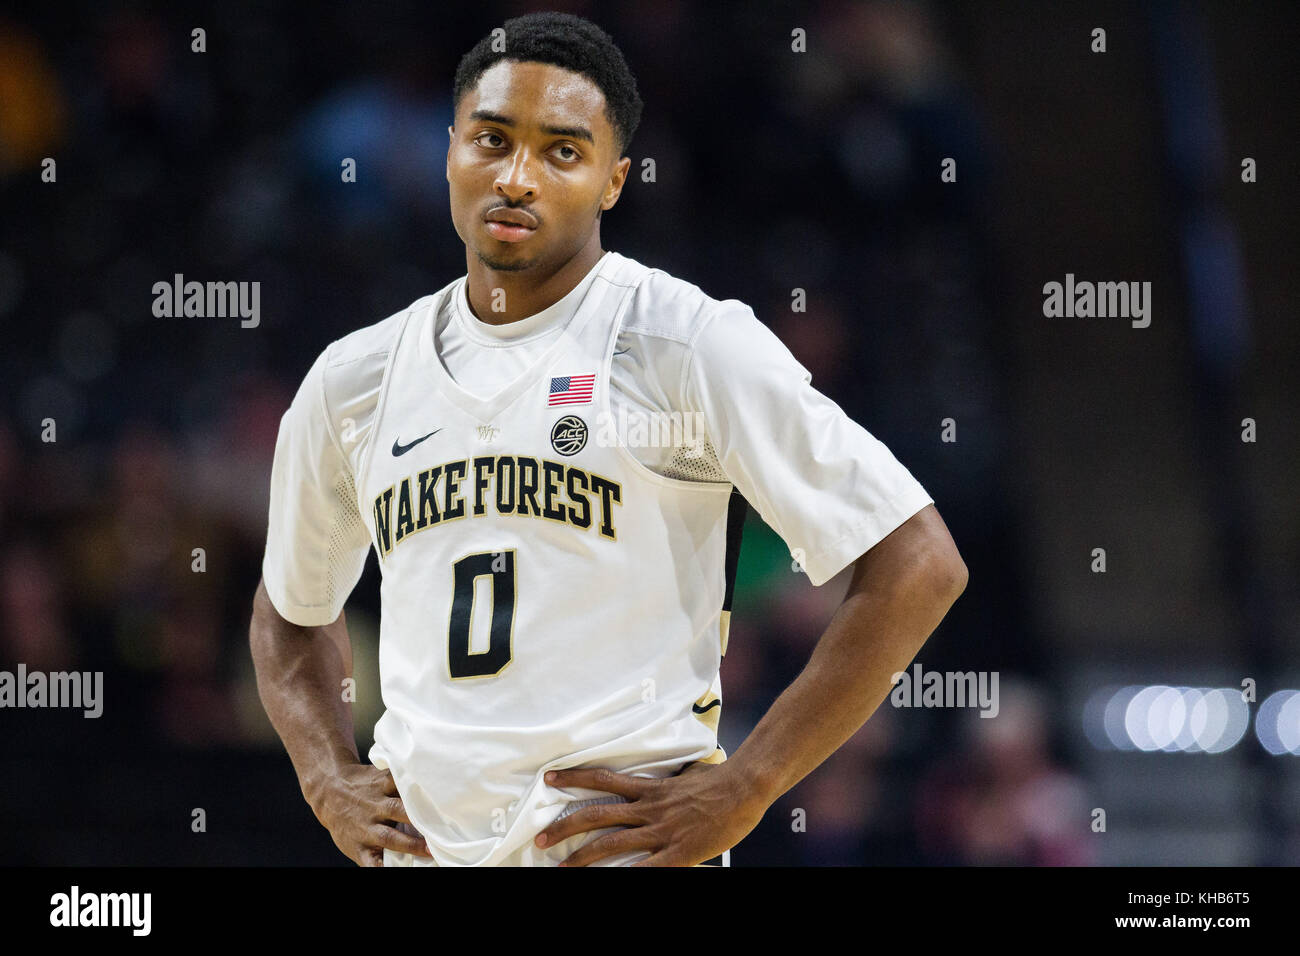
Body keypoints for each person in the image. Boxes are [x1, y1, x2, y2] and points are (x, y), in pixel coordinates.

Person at [248, 11, 967, 868]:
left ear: (614, 180)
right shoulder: (353, 378)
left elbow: (919, 564)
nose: (516, 176)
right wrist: (326, 776)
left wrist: (749, 785)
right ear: (448, 152)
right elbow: (289, 616)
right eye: (491, 139)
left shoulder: (683, 343)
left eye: (561, 150)